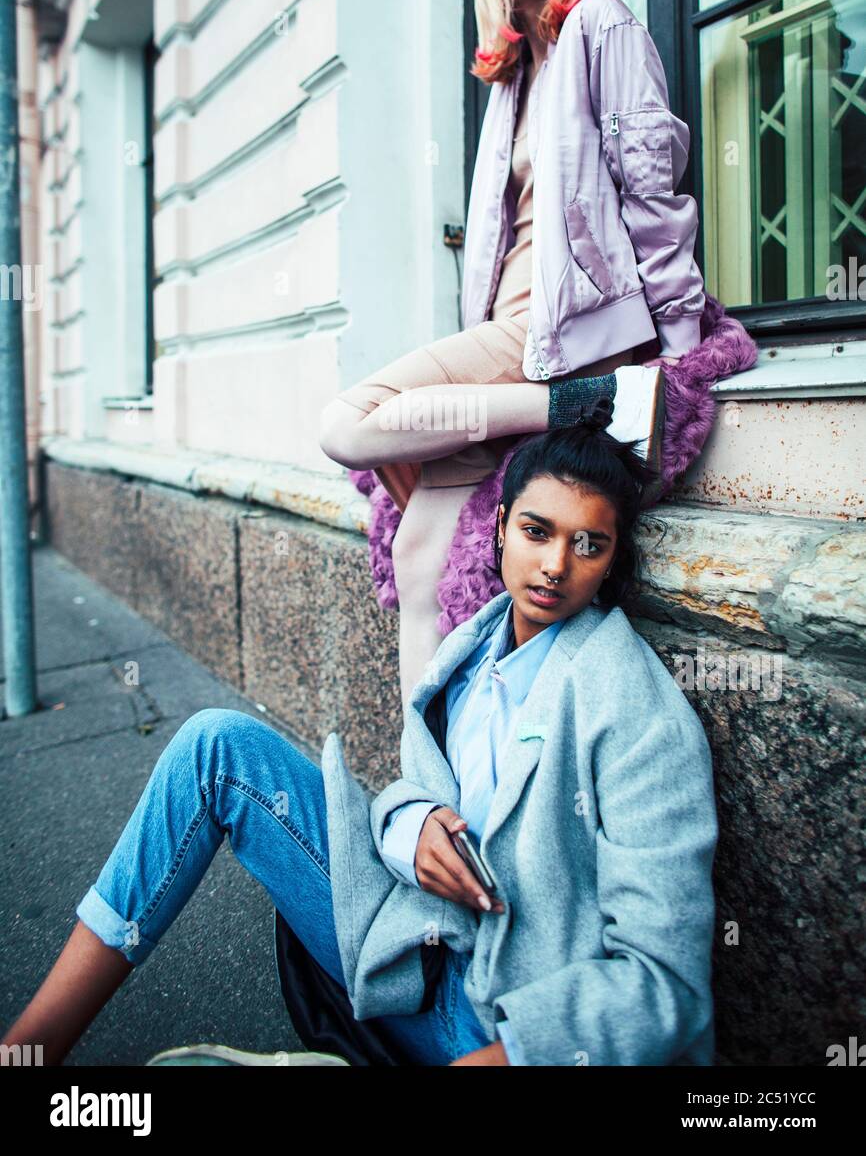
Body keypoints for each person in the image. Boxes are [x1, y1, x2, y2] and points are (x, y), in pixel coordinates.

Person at [1, 406, 718, 1067]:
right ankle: (30, 1048)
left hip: (507, 1034)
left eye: (588, 545)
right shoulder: (471, 649)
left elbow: (665, 985)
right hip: (409, 963)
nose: (556, 564)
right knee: (216, 746)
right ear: (500, 526)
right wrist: (414, 826)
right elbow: (408, 792)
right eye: (537, 531)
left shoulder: (636, 712)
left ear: (613, 559)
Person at [318, 0, 706, 708]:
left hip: (566, 340)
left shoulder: (601, 27)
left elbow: (654, 194)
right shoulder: (511, 78)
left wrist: (680, 361)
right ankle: (431, 785)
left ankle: (600, 399)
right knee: (419, 554)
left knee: (345, 425)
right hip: (513, 342)